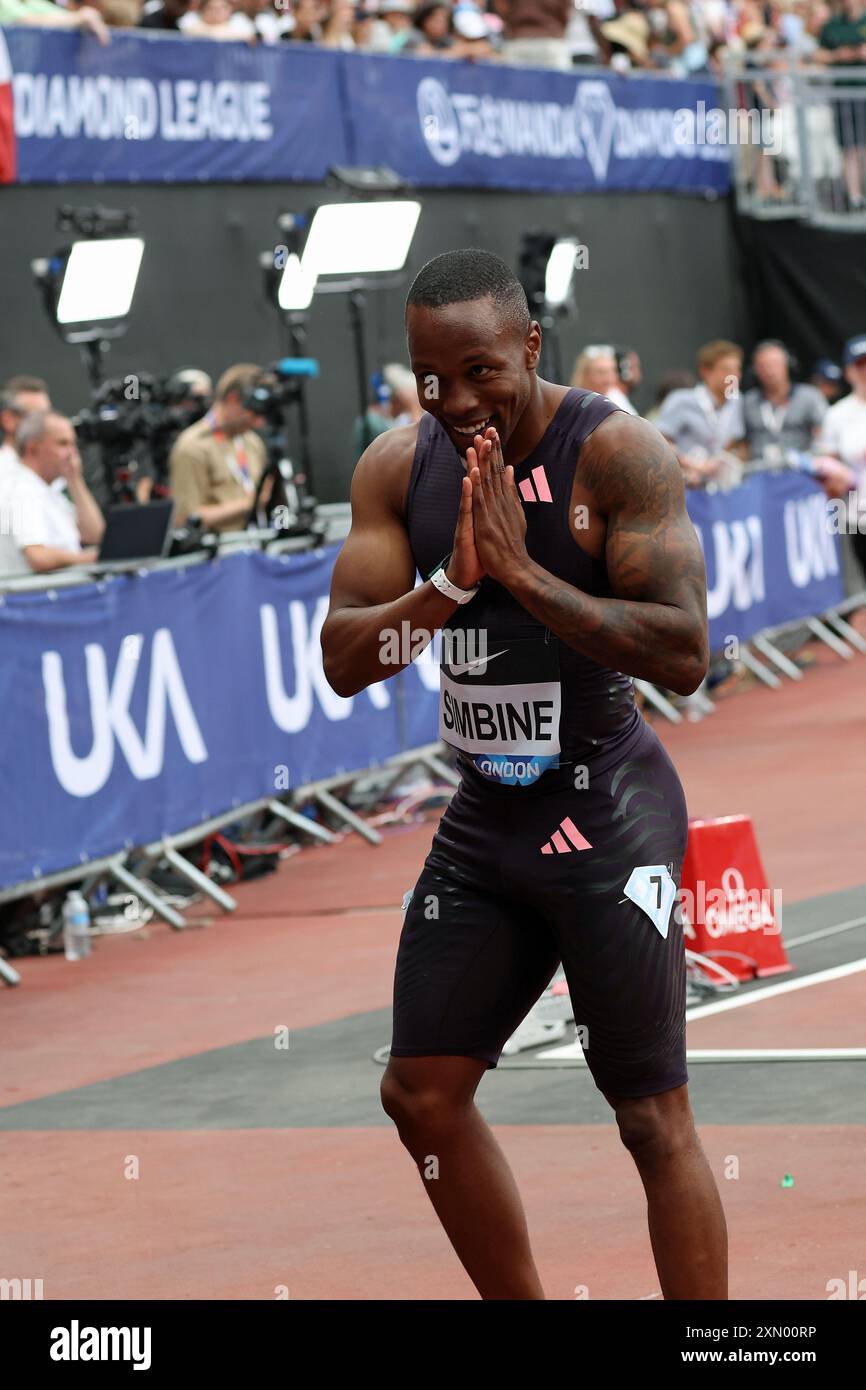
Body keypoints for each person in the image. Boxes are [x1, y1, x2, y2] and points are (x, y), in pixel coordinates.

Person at [321, 248, 726, 1301]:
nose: (456, 400)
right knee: (419, 1094)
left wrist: (523, 576)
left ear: (530, 345)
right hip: (486, 823)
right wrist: (451, 585)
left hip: (609, 808)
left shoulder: (617, 454)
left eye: (481, 370)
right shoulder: (393, 468)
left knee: (647, 1115)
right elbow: (342, 662)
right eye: (430, 377)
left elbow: (684, 654)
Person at [0, 412, 105, 577]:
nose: (72, 453)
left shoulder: (48, 489)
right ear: (33, 448)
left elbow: (94, 535)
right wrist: (85, 558)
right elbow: (38, 556)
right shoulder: (20, 489)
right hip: (34, 599)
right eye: (63, 444)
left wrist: (75, 481)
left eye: (74, 444)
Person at [168, 363, 268, 531]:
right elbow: (185, 519)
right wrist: (249, 504)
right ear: (232, 399)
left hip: (258, 546)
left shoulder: (252, 442)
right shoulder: (193, 447)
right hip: (218, 552)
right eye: (254, 413)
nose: (259, 423)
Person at [655, 339, 745, 488]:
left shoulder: (737, 401)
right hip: (685, 487)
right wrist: (691, 465)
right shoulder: (681, 400)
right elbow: (658, 441)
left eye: (737, 369)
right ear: (706, 371)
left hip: (717, 490)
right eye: (726, 370)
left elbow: (733, 442)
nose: (734, 376)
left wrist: (725, 462)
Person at [817, 332, 866, 577]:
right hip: (858, 516)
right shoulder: (837, 414)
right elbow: (829, 464)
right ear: (849, 372)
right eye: (860, 365)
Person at [742, 340, 827, 463]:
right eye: (763, 365)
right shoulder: (748, 402)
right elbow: (742, 444)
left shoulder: (809, 396)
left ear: (788, 364)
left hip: (799, 469)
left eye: (775, 364)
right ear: (755, 370)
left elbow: (824, 435)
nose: (770, 370)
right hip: (757, 470)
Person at [0, 375, 51, 477]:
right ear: (8, 420)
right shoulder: (4, 473)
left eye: (49, 415)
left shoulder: (54, 471)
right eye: (38, 416)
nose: (49, 423)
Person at [571, 345, 637, 414]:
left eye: (612, 371)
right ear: (585, 374)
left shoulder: (618, 400)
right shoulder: (574, 401)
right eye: (600, 372)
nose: (608, 378)